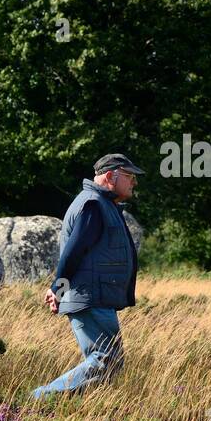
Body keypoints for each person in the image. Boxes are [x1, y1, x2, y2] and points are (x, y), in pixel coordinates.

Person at [30, 153, 143, 399]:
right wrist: (57, 289)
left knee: (108, 364)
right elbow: (74, 251)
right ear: (111, 175)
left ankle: (68, 410)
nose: (134, 182)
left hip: (97, 298)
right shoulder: (92, 204)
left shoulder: (103, 205)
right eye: (129, 176)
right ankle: (39, 399)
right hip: (90, 297)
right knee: (105, 361)